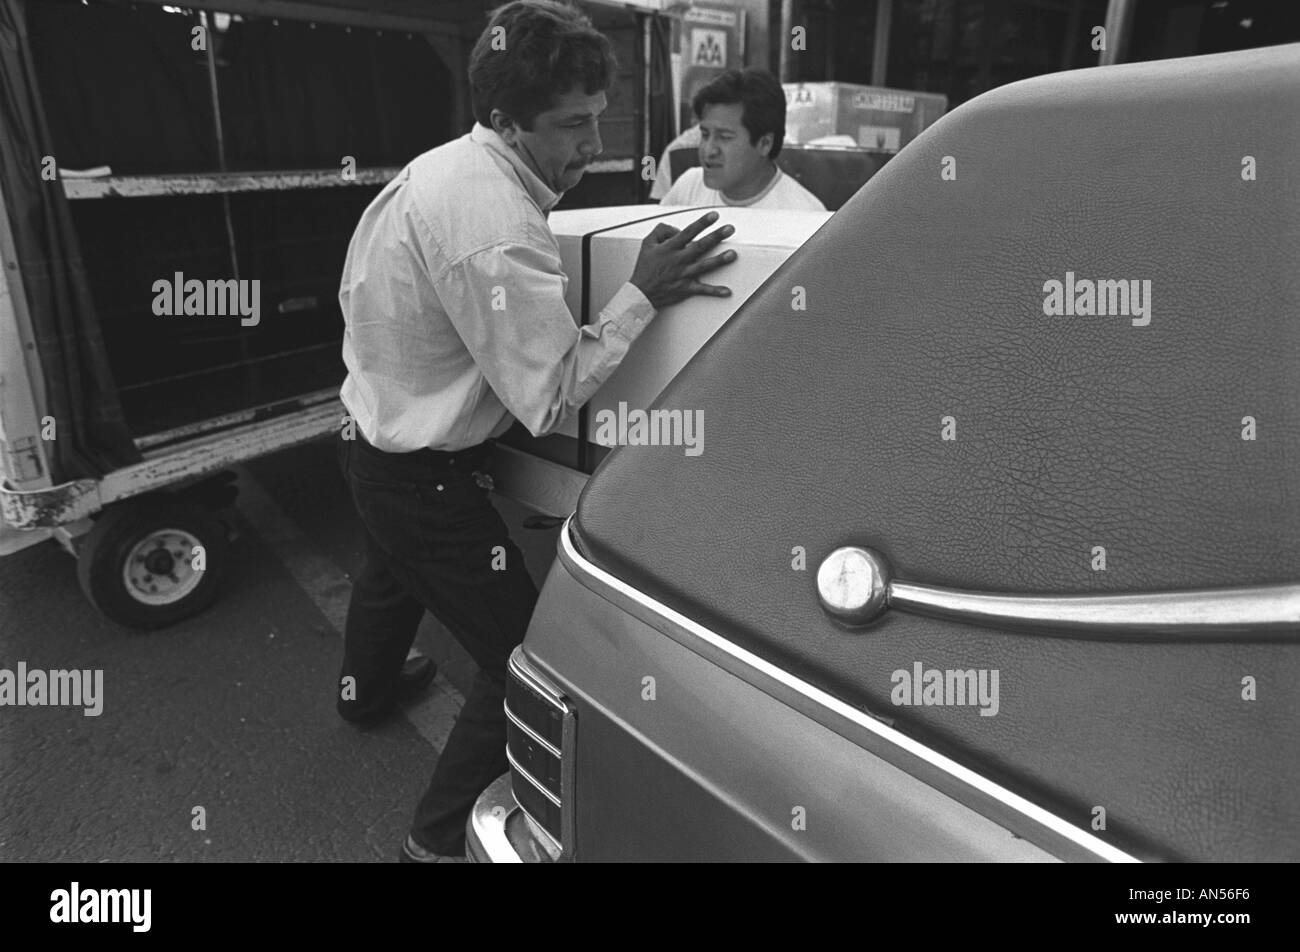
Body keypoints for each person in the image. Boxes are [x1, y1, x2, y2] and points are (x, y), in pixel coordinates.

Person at [333, 0, 737, 863]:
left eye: (599, 118)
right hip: (423, 478)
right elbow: (549, 399)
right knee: (519, 655)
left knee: (388, 571)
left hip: (372, 442)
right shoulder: (497, 228)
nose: (591, 144)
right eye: (571, 125)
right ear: (507, 121)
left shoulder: (444, 170)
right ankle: (435, 841)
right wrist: (644, 293)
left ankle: (362, 691)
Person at [661, 68, 826, 211]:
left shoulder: (805, 214)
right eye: (705, 135)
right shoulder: (687, 189)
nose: (708, 150)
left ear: (764, 144)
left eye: (724, 137)